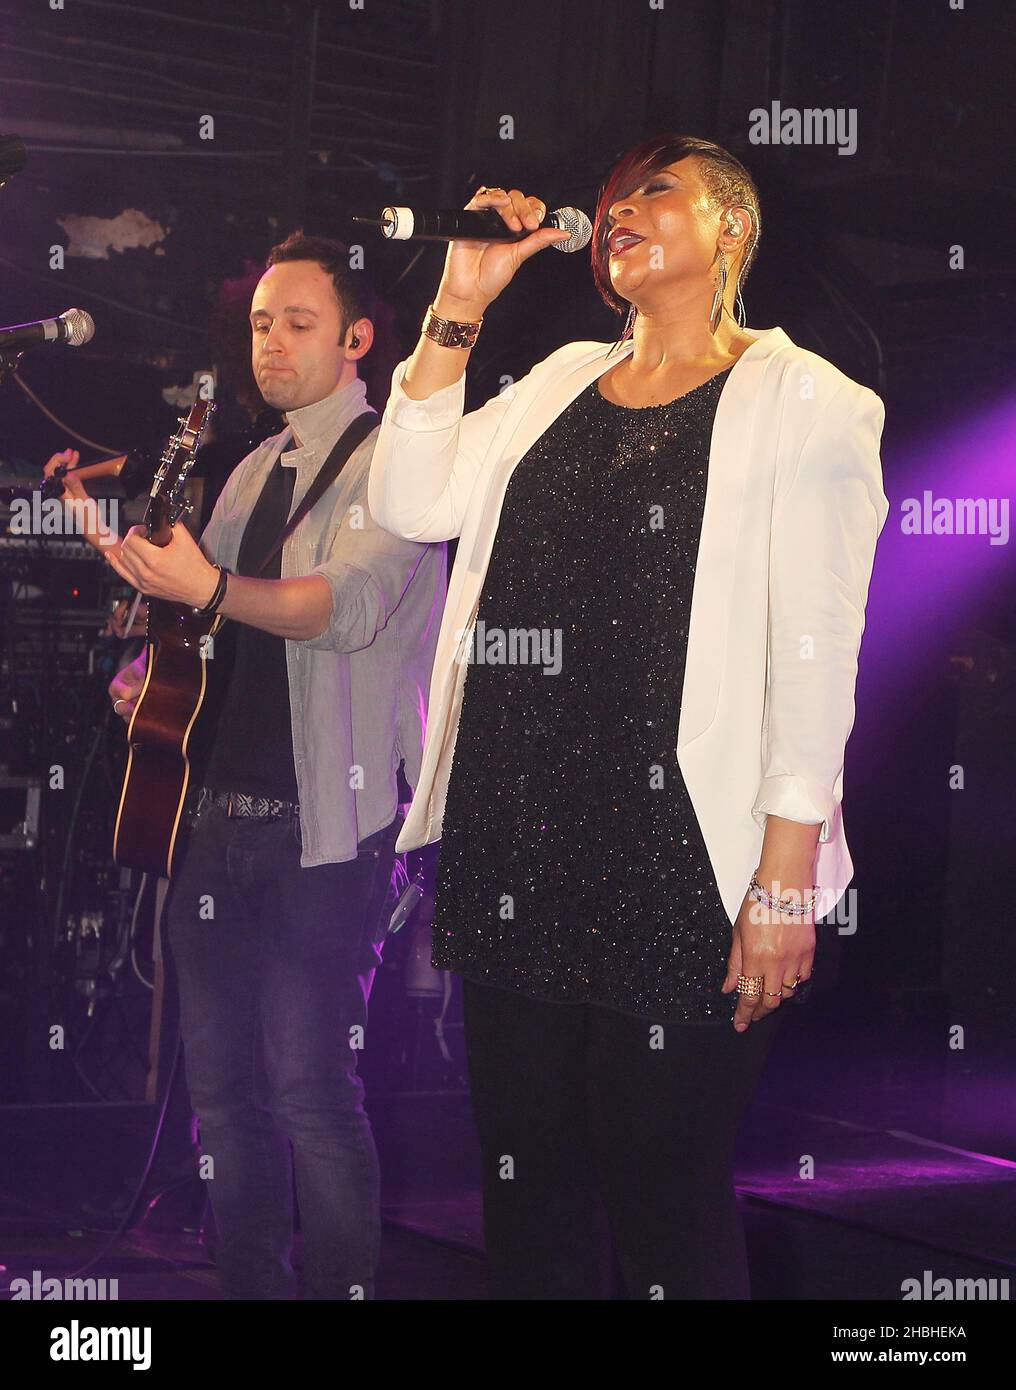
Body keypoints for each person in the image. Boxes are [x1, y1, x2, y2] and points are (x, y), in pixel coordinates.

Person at [368, 134, 890, 1299]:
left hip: (680, 851)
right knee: (526, 1182)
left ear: (730, 229)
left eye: (653, 191)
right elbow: (409, 499)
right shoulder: (553, 378)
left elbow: (816, 646)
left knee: (659, 1180)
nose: (615, 211)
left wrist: (785, 874)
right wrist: (459, 304)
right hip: (517, 830)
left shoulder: (805, 398)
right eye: (606, 199)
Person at [106, 233, 446, 1300]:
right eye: (260, 322)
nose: (272, 342)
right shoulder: (253, 465)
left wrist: (205, 589)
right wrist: (150, 652)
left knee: (309, 1091)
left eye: (298, 323)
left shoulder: (397, 469)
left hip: (327, 835)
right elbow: (206, 629)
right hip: (214, 823)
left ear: (355, 340)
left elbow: (336, 609)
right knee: (223, 1096)